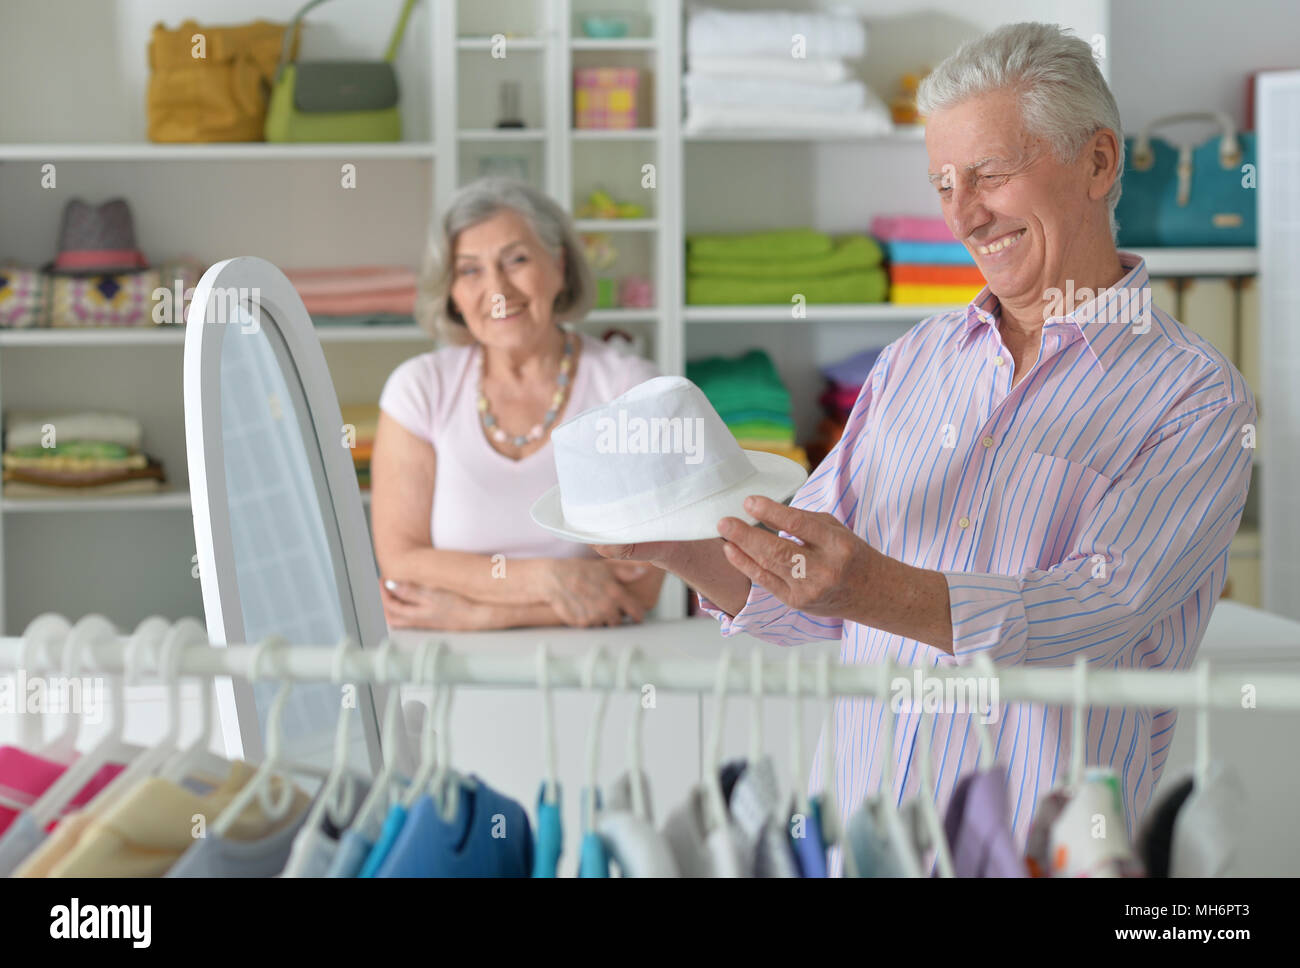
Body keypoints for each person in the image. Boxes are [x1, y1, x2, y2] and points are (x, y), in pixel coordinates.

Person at [595, 22, 1256, 871]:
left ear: (1098, 162)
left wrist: (878, 589)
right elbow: (810, 591)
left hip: (1043, 850)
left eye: (991, 173)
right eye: (944, 183)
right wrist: (678, 547)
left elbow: (1102, 611)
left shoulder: (1194, 396)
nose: (964, 213)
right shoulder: (913, 363)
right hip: (877, 842)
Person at [373, 177, 665, 629]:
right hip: (446, 667)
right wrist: (546, 579)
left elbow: (640, 587)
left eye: (517, 260)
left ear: (559, 266)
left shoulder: (628, 390)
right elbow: (402, 563)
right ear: (450, 290)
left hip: (599, 665)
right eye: (470, 270)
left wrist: (474, 613)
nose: (496, 289)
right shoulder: (419, 389)